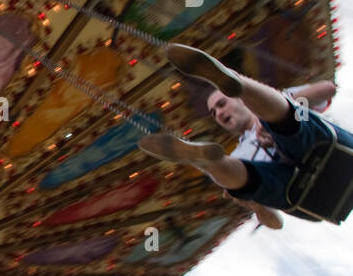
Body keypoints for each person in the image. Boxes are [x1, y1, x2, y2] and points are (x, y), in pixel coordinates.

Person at [137, 43, 342, 229]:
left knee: (287, 122)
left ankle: (239, 83)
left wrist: (269, 121)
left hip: (327, 151)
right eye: (213, 113)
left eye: (221, 104)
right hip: (300, 192)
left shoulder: (278, 99)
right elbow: (275, 222)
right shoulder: (240, 154)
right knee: (249, 180)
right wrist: (253, 201)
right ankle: (207, 162)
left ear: (240, 101)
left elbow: (328, 89)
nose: (218, 113)